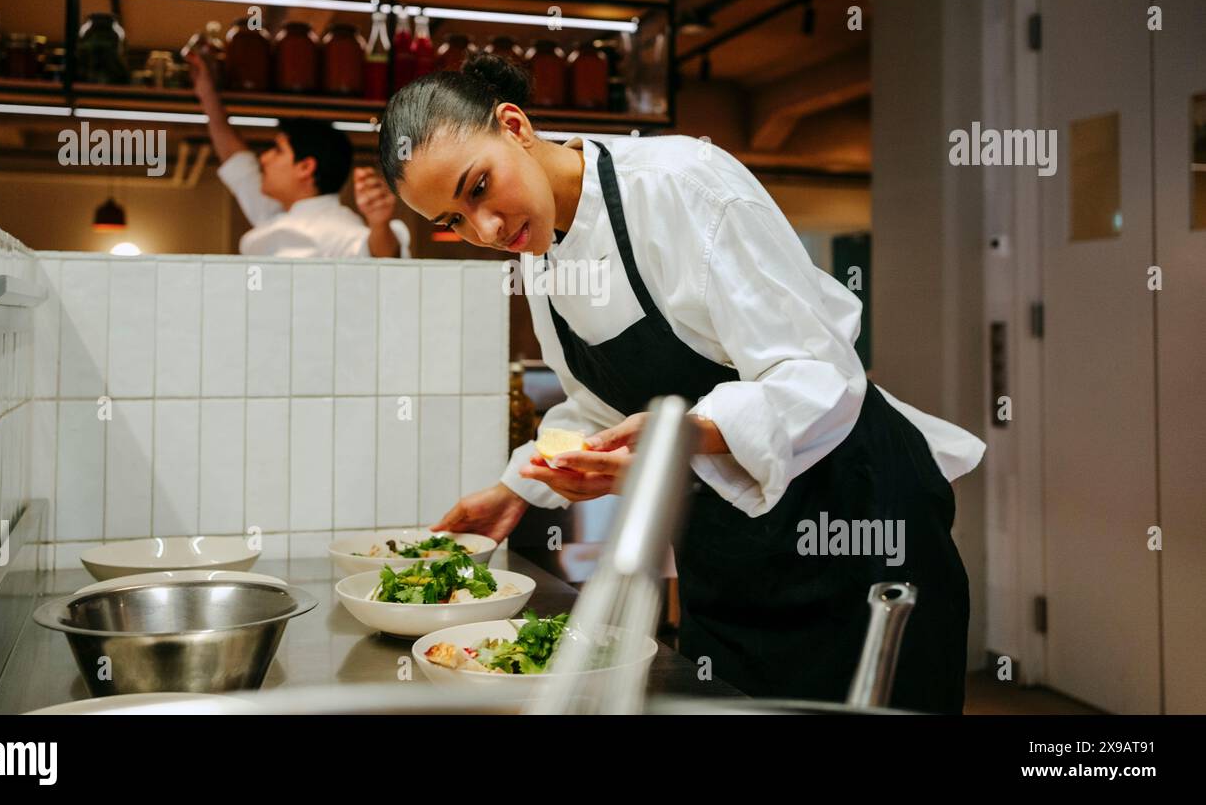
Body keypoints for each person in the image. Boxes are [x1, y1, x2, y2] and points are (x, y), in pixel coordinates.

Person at [376, 53, 986, 713]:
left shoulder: (681, 183)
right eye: (456, 222)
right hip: (728, 543)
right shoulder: (543, 254)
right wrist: (515, 488)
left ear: (516, 126)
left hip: (852, 509)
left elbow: (817, 373)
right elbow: (595, 405)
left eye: (478, 188)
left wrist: (683, 436)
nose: (486, 229)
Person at [189, 51, 410, 258]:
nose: (264, 159)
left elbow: (379, 256)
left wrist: (380, 224)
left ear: (305, 167)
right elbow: (236, 161)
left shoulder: (337, 228)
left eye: (278, 150)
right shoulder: (275, 212)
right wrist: (207, 94)